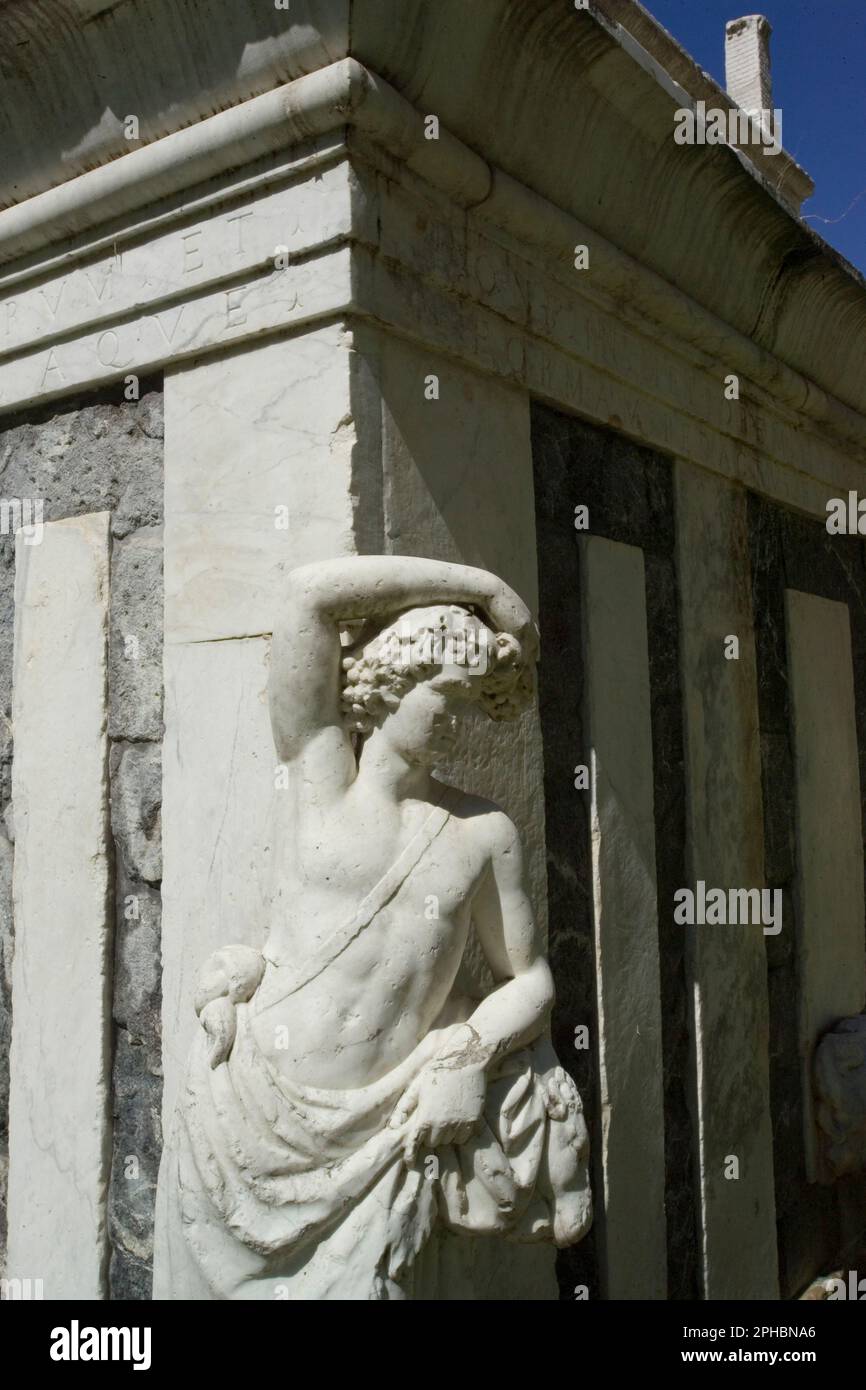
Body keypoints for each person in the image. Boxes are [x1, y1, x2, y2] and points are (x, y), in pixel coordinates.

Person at [155, 556, 590, 1300]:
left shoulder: (482, 832)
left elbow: (530, 979)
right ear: (391, 683)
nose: (456, 720)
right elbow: (307, 597)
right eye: (442, 697)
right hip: (246, 1113)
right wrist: (480, 589)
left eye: (471, 704)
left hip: (386, 1135)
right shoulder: (316, 774)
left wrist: (464, 1058)